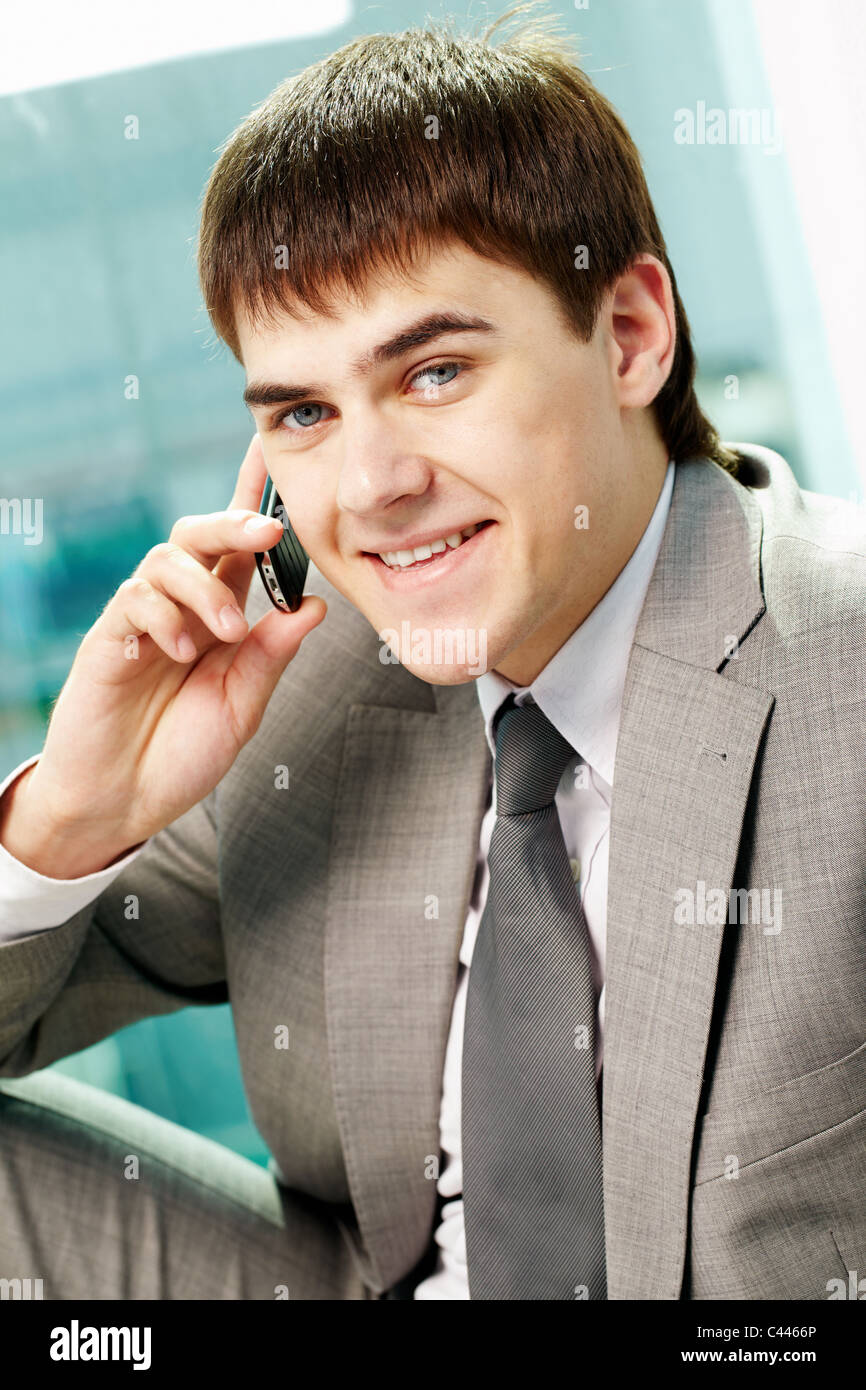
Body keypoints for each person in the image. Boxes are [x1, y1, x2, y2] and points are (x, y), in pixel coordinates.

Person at [0, 7, 863, 1301]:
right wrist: (72, 815)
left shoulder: (837, 658)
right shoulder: (316, 687)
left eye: (436, 373)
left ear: (627, 335)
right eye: (302, 410)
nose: (370, 486)